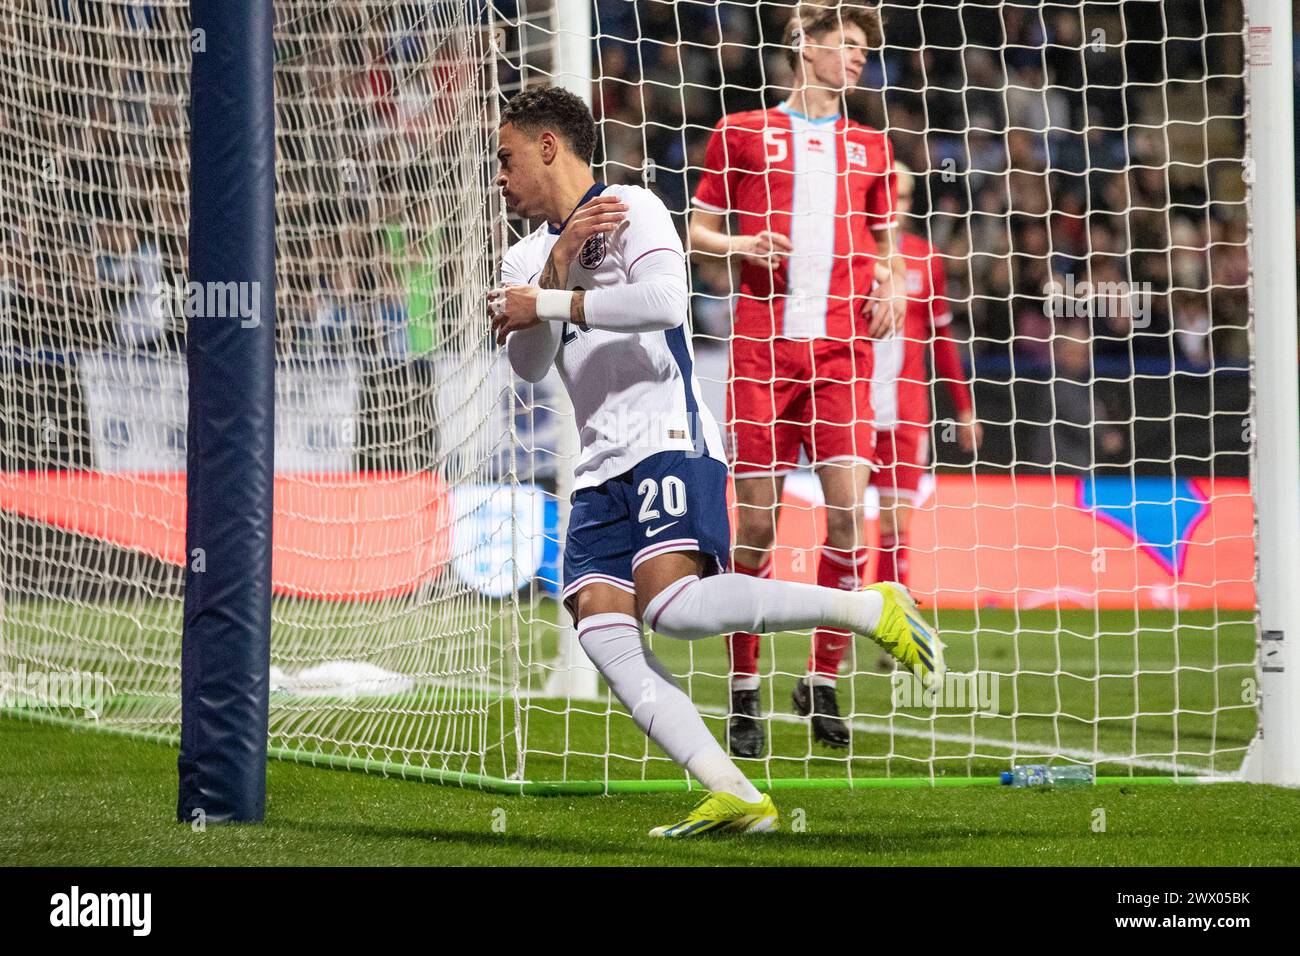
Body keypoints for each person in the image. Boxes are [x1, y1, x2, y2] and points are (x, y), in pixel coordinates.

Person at [489, 84, 942, 837]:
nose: (499, 177)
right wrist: (558, 269)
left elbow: (667, 301)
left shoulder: (635, 207)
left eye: (506, 160)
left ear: (548, 146)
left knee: (670, 609)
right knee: (603, 635)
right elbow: (530, 364)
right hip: (599, 469)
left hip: (669, 436)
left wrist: (552, 301)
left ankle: (869, 607)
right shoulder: (529, 253)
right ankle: (734, 792)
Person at [686, 1, 908, 756]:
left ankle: (822, 676)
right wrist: (744, 242)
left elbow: (888, 247)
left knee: (849, 516)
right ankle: (743, 689)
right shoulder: (741, 132)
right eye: (844, 46)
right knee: (755, 525)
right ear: (803, 48)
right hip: (760, 350)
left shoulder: (872, 147)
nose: (856, 60)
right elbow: (696, 230)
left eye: (862, 50)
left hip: (843, 355)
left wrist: (895, 282)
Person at [867, 161, 981, 678]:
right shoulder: (851, 251)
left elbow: (942, 339)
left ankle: (897, 634)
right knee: (846, 526)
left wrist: (964, 406)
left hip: (907, 410)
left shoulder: (925, 259)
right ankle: (838, 632)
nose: (901, 202)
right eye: (893, 191)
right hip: (850, 405)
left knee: (896, 525)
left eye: (908, 194)